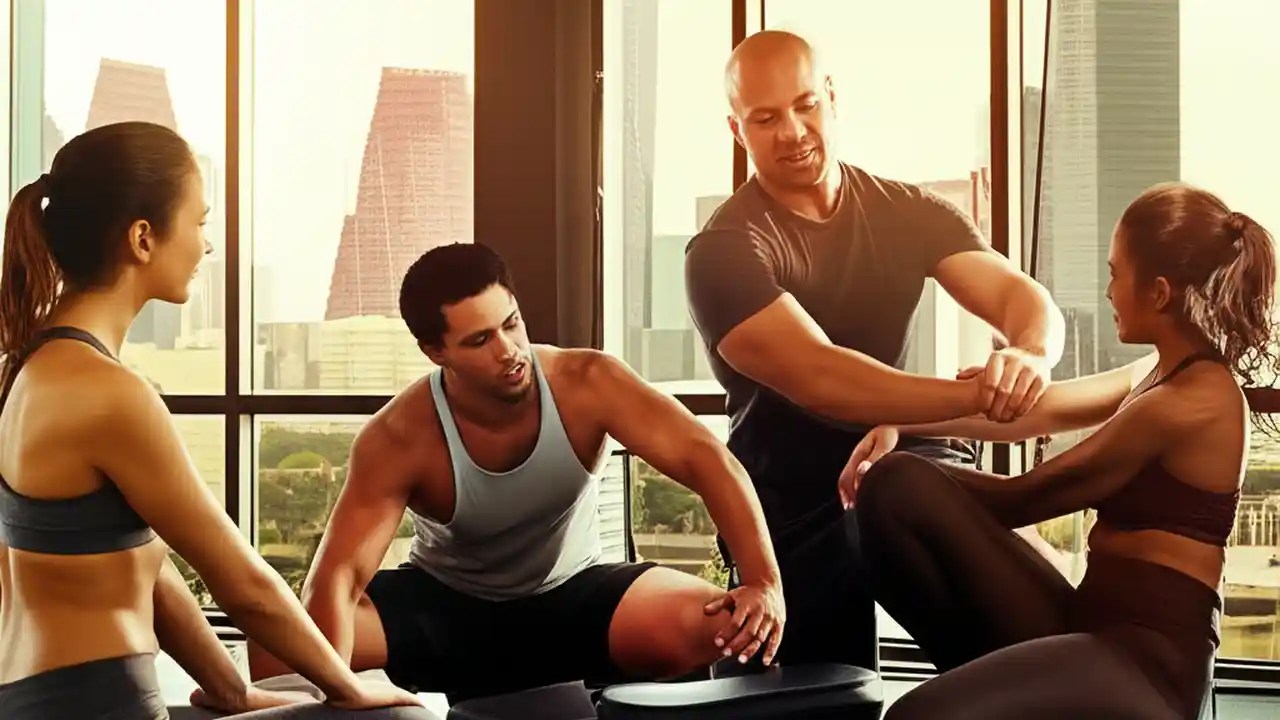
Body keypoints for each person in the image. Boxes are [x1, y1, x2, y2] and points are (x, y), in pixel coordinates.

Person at [0, 122, 428, 719]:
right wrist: (347, 687)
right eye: (200, 222)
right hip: (100, 703)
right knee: (399, 717)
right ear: (142, 238)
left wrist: (230, 690)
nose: (207, 245)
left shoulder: (24, 367)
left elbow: (146, 570)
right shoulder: (108, 393)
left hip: (32, 698)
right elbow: (245, 587)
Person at [247, 243, 786, 702]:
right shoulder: (398, 436)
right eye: (480, 340)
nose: (510, 352)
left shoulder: (588, 381)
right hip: (448, 609)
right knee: (277, 645)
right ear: (436, 351)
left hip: (574, 594)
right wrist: (340, 695)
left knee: (724, 624)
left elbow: (708, 460)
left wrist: (763, 580)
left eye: (512, 324)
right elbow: (339, 577)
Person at [683, 29, 1064, 670]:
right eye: (766, 118)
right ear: (736, 129)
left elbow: (1018, 296)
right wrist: (970, 399)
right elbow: (825, 378)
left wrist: (1031, 352)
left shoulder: (907, 210)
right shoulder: (722, 252)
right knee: (822, 698)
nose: (793, 131)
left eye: (806, 105)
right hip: (792, 508)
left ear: (831, 97)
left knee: (1006, 649)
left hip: (909, 461)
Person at [849, 182, 1274, 719]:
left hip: (1148, 663)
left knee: (915, 714)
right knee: (892, 493)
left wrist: (906, 473)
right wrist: (901, 423)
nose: (1108, 291)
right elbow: (1039, 410)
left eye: (1116, 274)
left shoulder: (1197, 400)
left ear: (1159, 292)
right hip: (1088, 622)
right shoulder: (1156, 373)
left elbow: (1024, 498)